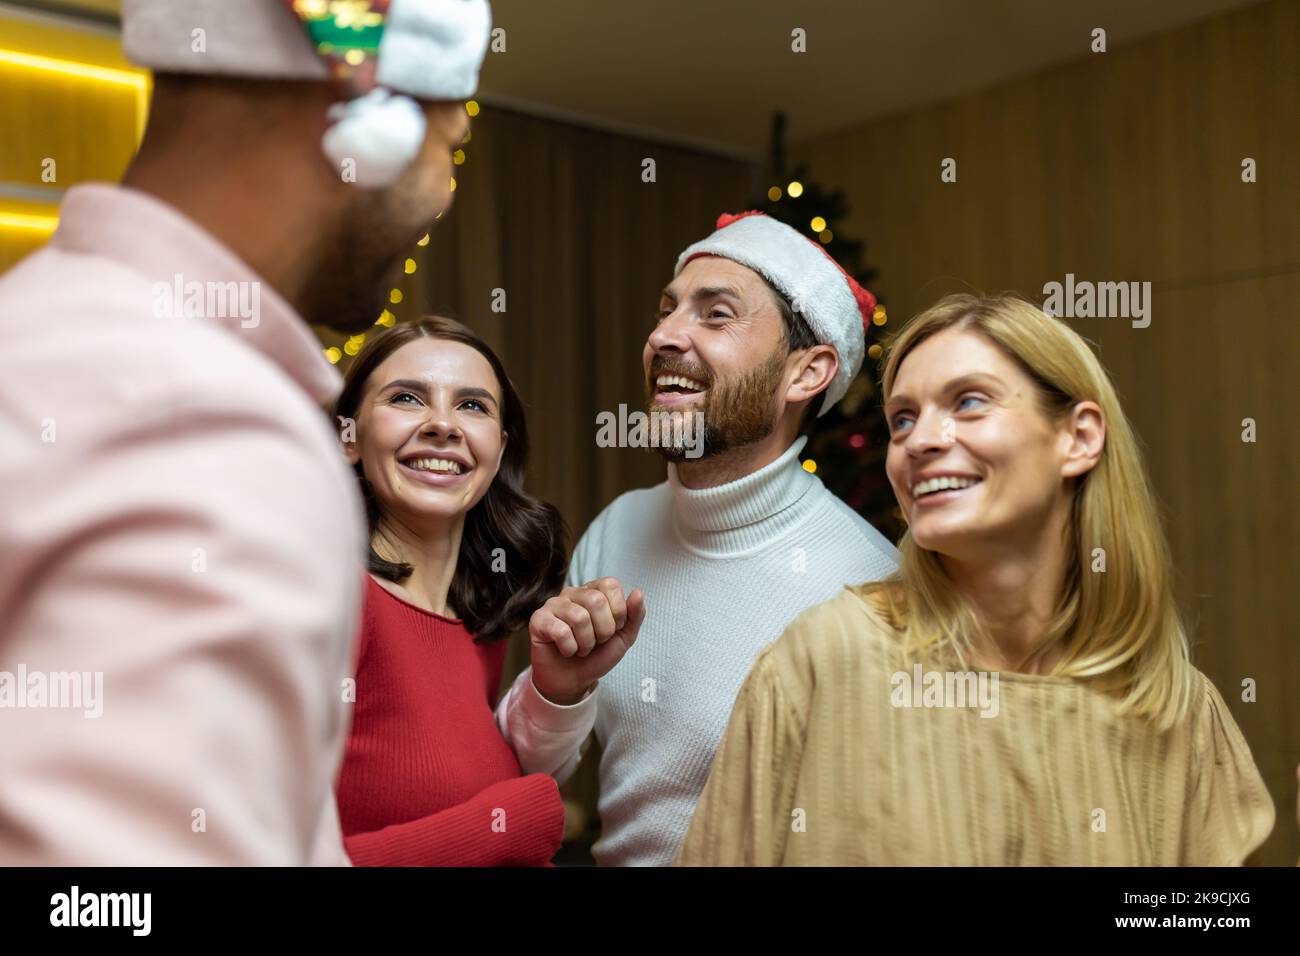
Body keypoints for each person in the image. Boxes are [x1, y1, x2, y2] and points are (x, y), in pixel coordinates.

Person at [0, 0, 491, 864]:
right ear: (361, 122)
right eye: (445, 151)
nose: (443, 195)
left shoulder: (36, 322)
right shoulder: (214, 431)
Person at [676, 293, 1276, 866]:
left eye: (968, 403)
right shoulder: (825, 660)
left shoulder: (1175, 705)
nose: (921, 442)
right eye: (903, 419)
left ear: (1079, 437)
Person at [500, 211, 900, 865]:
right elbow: (532, 770)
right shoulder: (618, 528)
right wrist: (556, 690)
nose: (663, 336)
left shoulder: (871, 585)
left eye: (715, 315)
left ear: (807, 372)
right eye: (667, 310)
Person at [332, 317, 643, 866]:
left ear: (498, 451)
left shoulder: (476, 623)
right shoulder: (334, 603)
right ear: (349, 439)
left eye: (472, 406)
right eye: (406, 398)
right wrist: (516, 822)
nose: (443, 425)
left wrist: (557, 690)